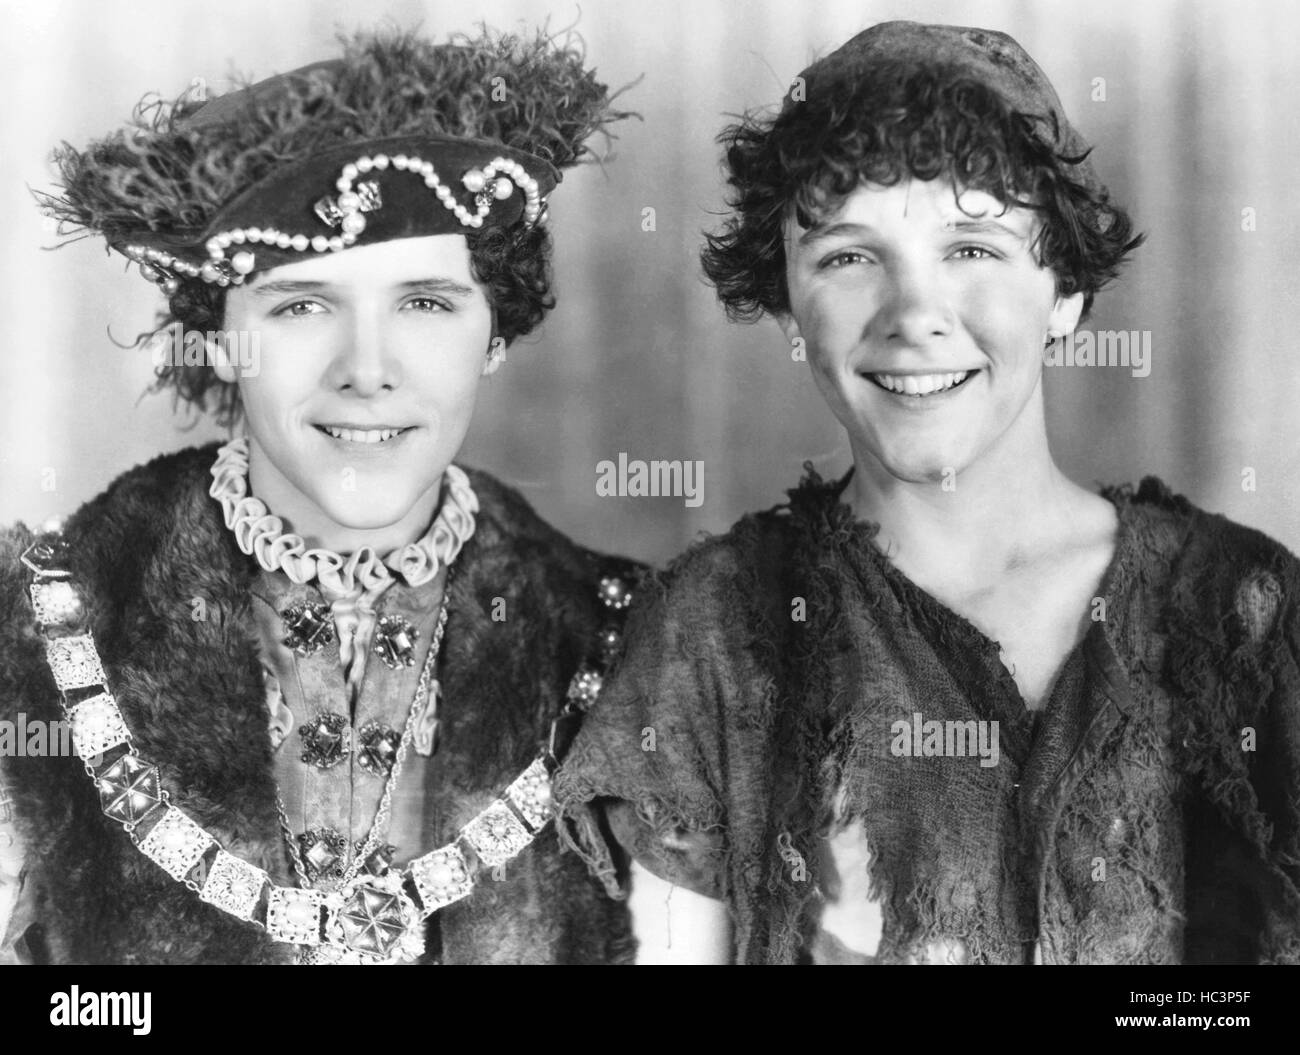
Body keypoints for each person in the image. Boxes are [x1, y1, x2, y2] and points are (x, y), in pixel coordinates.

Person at [555, 20, 1300, 964]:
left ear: (1065, 289)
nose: (914, 318)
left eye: (974, 249)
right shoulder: (713, 630)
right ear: (787, 304)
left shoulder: (1245, 609)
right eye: (847, 257)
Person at [0, 27, 641, 965]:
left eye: (425, 303)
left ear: (496, 335)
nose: (367, 371)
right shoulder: (38, 633)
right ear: (217, 336)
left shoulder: (624, 641)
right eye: (301, 305)